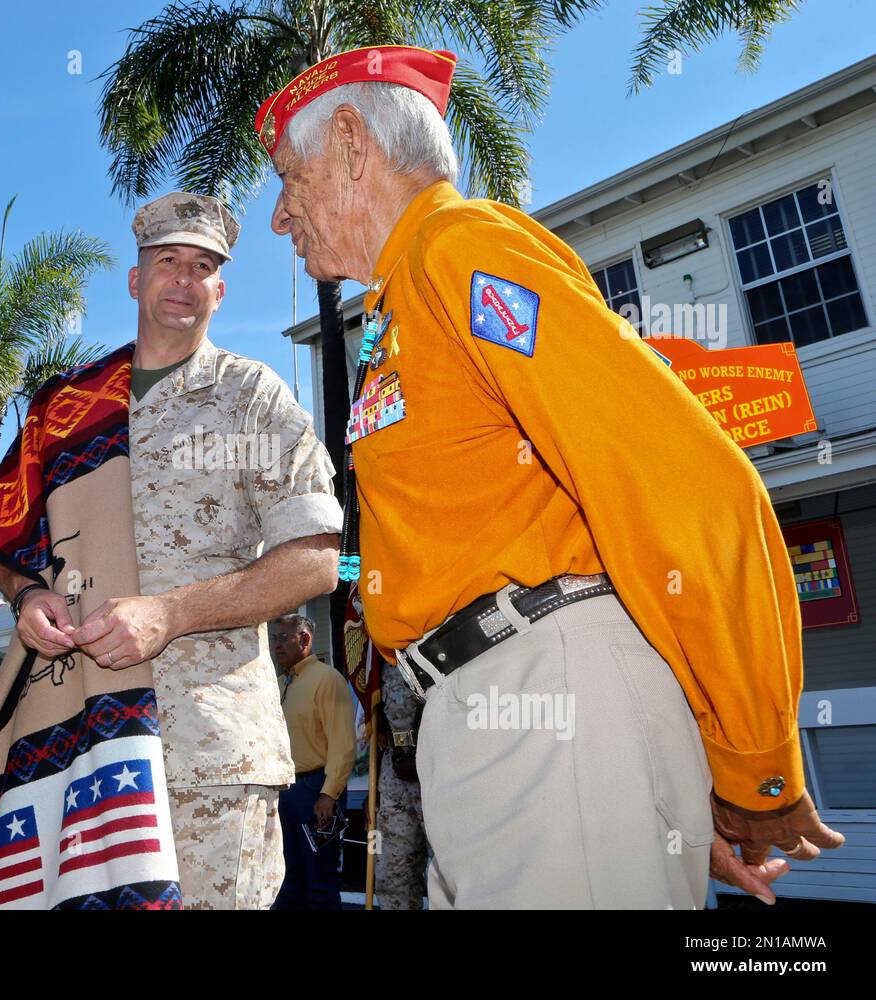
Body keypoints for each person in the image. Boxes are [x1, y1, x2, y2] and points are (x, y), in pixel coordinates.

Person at [254, 45, 844, 908]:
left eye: (286, 177)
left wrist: (752, 765)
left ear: (350, 141)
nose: (278, 217)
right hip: (497, 719)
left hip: (543, 695)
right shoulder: (408, 298)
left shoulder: (459, 251)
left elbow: (686, 483)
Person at [0, 192, 342, 909]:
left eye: (202, 266)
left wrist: (169, 614)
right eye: (167, 261)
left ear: (221, 291)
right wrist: (28, 595)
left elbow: (316, 558)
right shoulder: (66, 406)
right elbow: (4, 539)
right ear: (136, 280)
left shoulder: (251, 396)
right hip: (80, 746)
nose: (183, 279)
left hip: (208, 751)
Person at [269, 612, 355, 910]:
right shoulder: (279, 684)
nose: (276, 645)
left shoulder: (327, 680)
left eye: (283, 638)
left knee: (318, 881)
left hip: (316, 792)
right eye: (274, 638)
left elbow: (343, 744)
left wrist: (328, 795)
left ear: (304, 639)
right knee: (284, 880)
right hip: (284, 792)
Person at [374, 662, 428, 910]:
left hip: (437, 763)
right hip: (393, 767)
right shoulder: (380, 661)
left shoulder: (438, 643)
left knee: (453, 869)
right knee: (392, 872)